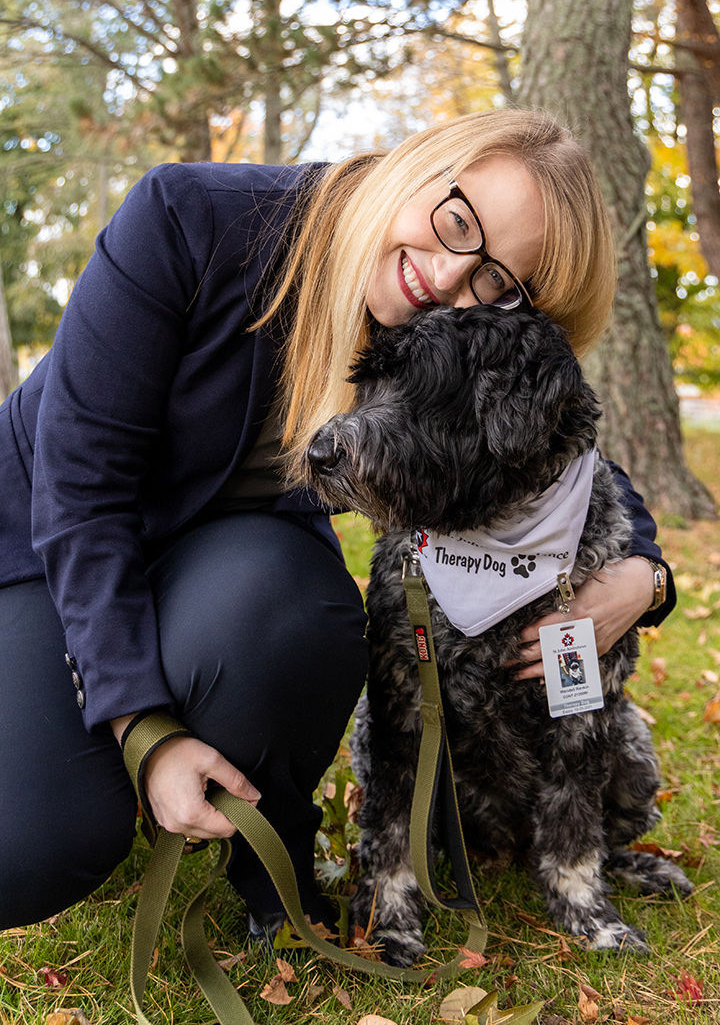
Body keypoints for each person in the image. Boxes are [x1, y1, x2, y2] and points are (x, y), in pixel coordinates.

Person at [0, 109, 674, 935]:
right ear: (420, 160)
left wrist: (645, 573)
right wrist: (142, 727)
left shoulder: (433, 342)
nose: (449, 277)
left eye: (497, 281)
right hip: (39, 543)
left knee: (302, 615)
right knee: (38, 853)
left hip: (227, 562)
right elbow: (80, 489)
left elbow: (558, 459)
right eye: (457, 221)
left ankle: (268, 864)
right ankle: (102, 736)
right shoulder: (192, 215)